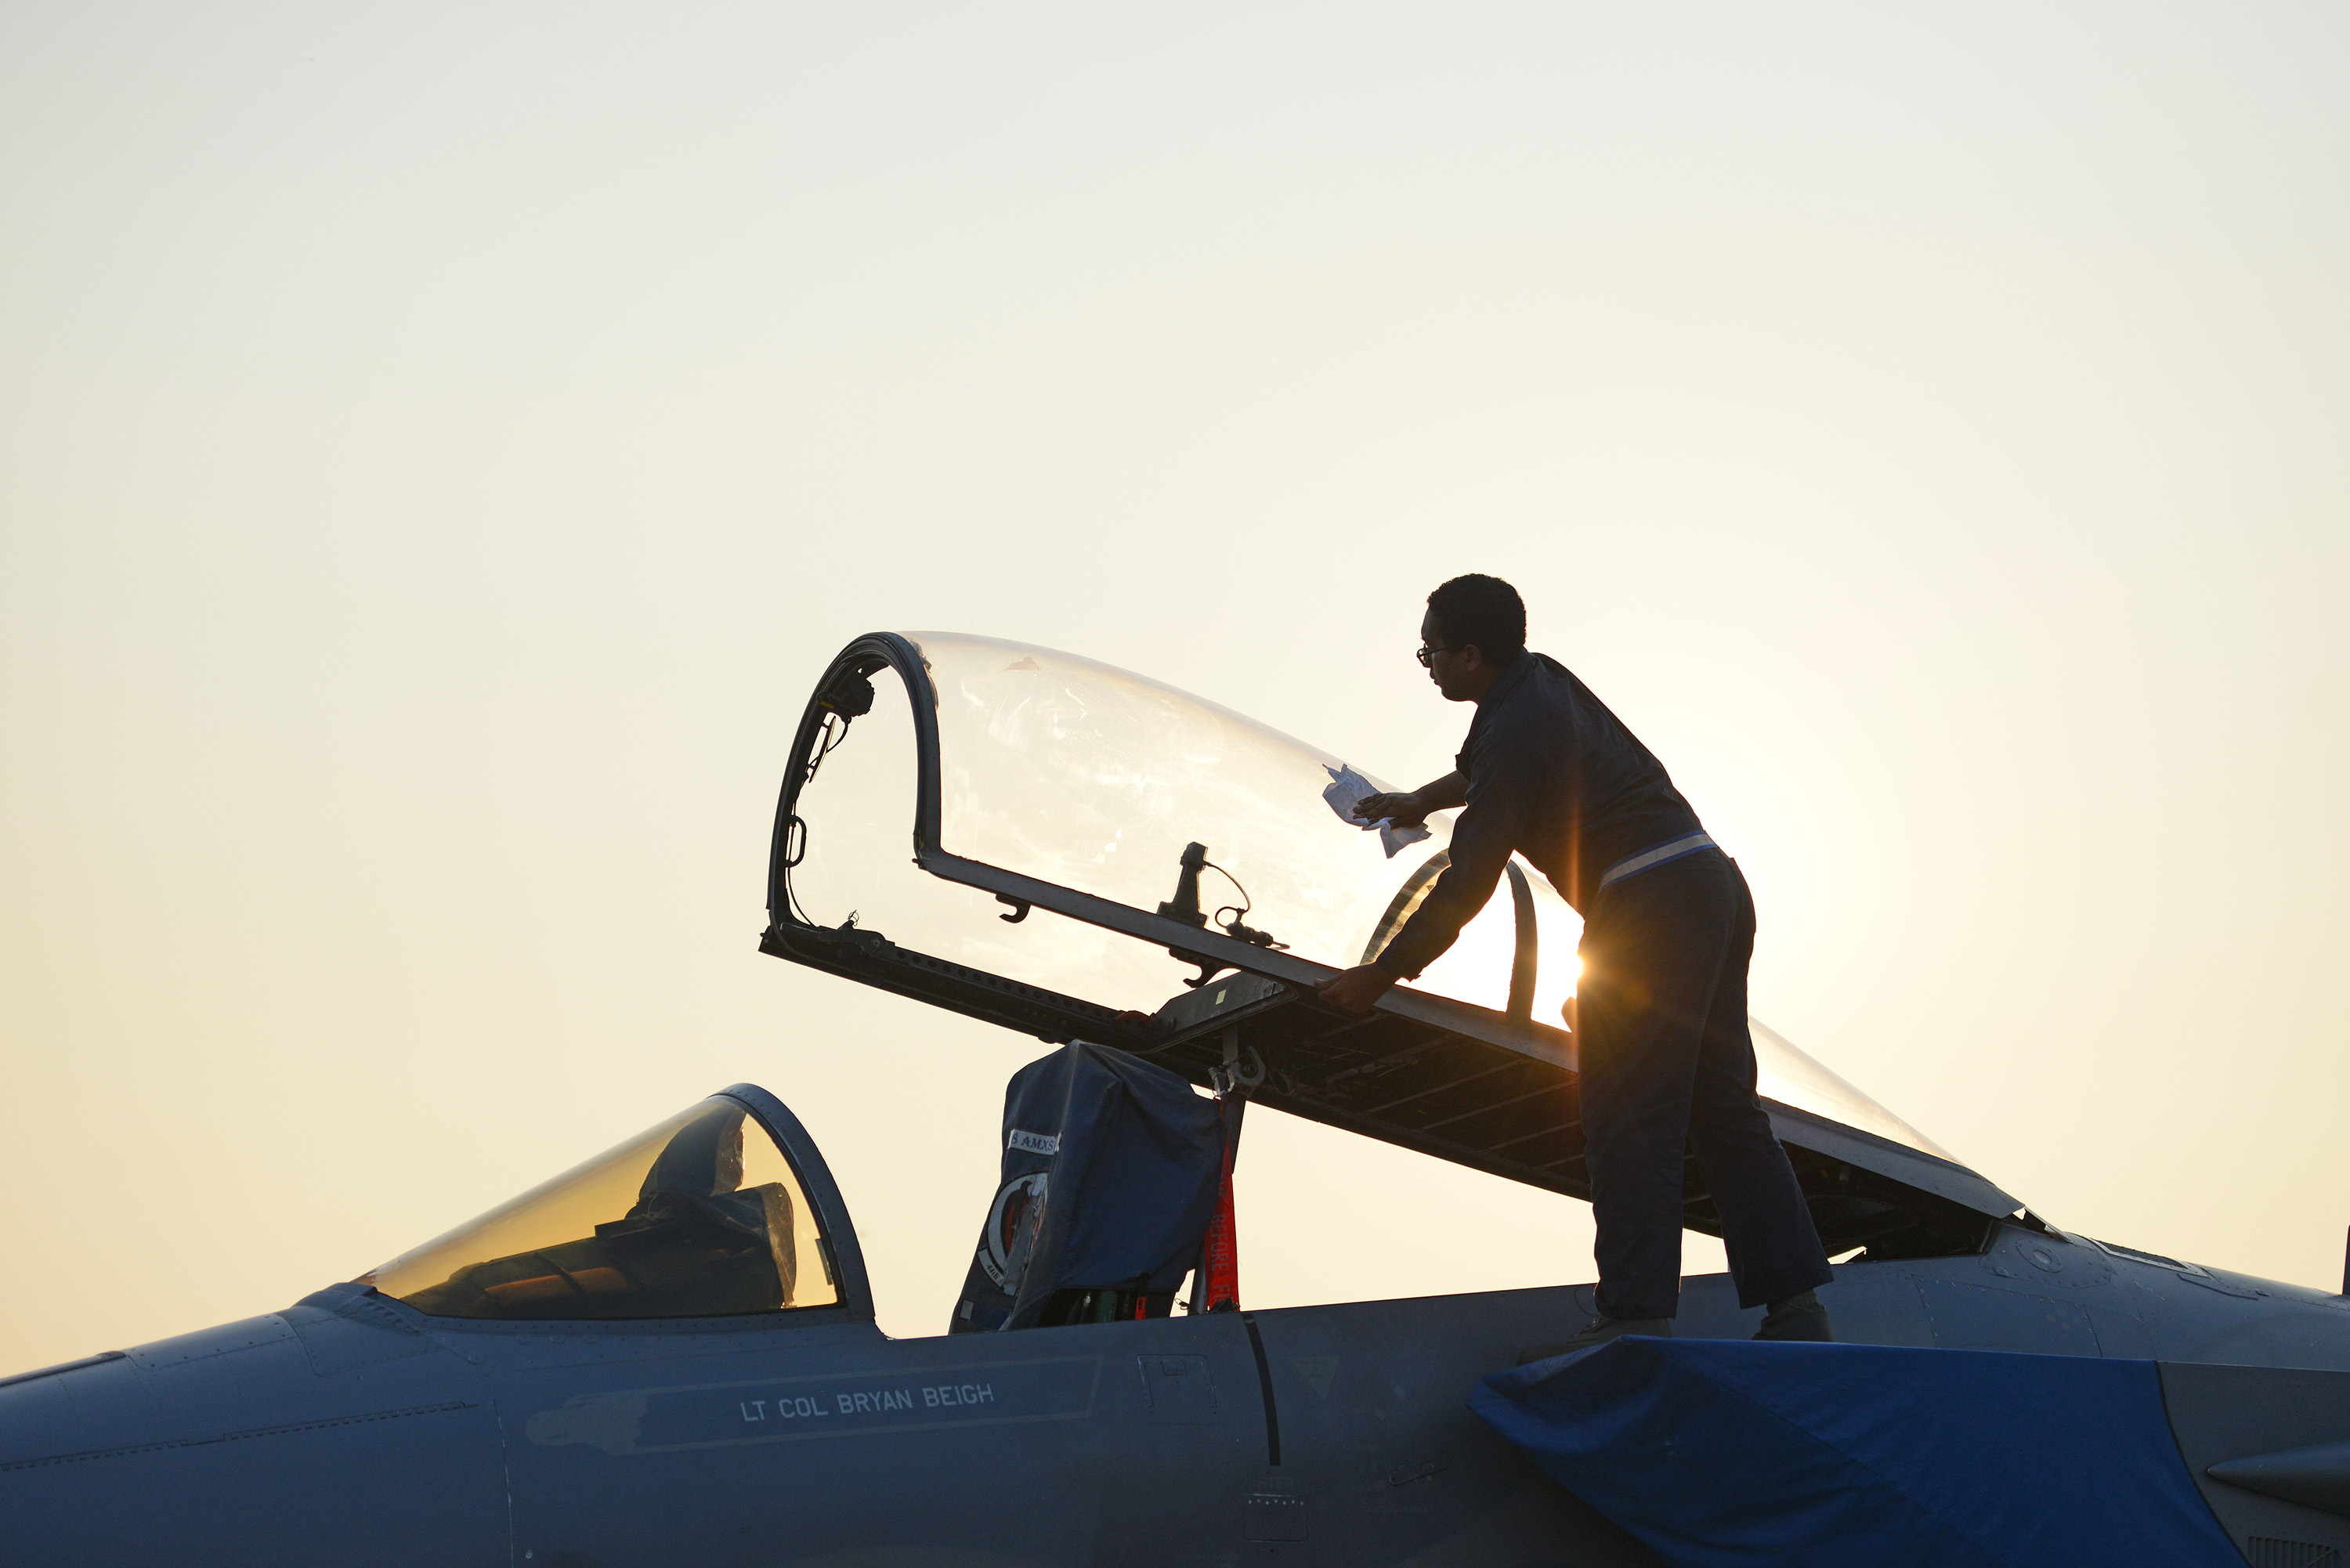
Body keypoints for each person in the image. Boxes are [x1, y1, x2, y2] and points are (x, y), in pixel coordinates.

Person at [1314, 574, 1835, 1356]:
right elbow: (1493, 774)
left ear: (1471, 654)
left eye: (1430, 649)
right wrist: (1419, 799)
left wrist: (1379, 975)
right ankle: (1798, 1312)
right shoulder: (1538, 682)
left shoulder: (1514, 727)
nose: (1423, 662)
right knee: (1724, 1112)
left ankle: (1633, 1315)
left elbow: (1471, 879)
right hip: (1712, 886)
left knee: (1630, 1110)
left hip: (1650, 905)